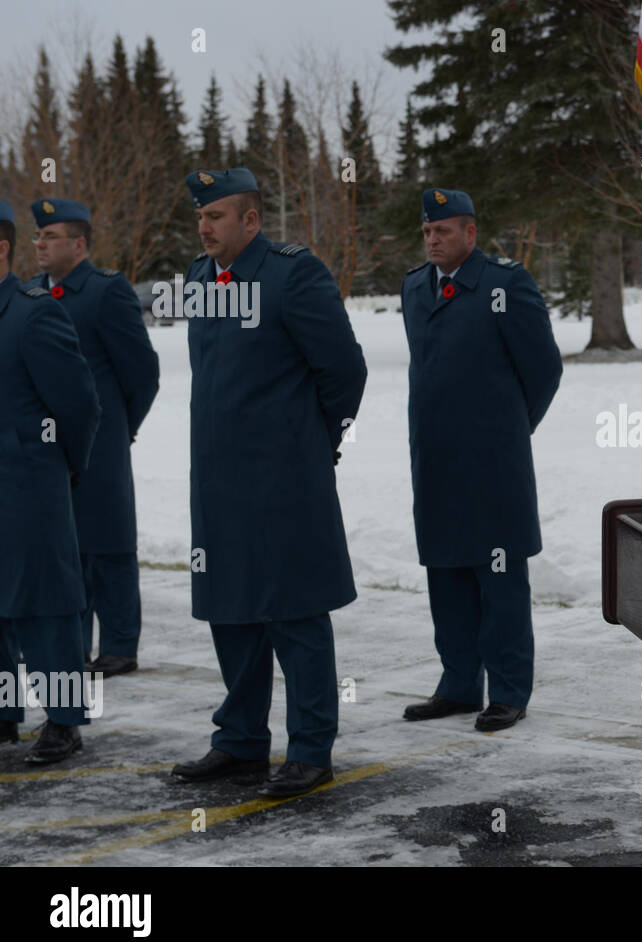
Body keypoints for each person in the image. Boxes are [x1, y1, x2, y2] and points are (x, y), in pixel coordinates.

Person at [170, 168, 367, 797]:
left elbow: (344, 370)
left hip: (285, 479)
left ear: (251, 220)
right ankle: (241, 740)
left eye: (217, 216)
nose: (204, 227)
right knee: (231, 611)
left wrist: (315, 442)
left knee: (294, 612)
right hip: (219, 482)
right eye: (200, 217)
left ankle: (310, 749)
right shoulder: (201, 279)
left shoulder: (292, 273)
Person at [399, 188, 562, 732]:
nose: (432, 239)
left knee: (499, 578)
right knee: (445, 572)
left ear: (470, 233)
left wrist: (511, 426)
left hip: (494, 462)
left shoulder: (505, 284)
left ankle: (509, 690)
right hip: (436, 460)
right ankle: (459, 684)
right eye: (427, 231)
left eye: (442, 230)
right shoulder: (415, 288)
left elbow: (542, 369)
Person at [25, 198, 160, 677]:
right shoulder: (30, 294)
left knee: (110, 543)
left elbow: (142, 372)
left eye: (51, 236)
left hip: (100, 440)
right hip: (44, 446)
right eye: (38, 236)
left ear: (79, 245)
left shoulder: (105, 292)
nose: (39, 243)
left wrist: (122, 427)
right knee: (64, 547)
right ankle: (72, 645)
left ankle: (120, 645)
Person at [0, 198, 102, 763]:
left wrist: (62, 467)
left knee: (47, 607)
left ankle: (64, 721)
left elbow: (79, 405)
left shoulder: (32, 312)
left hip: (29, 486)